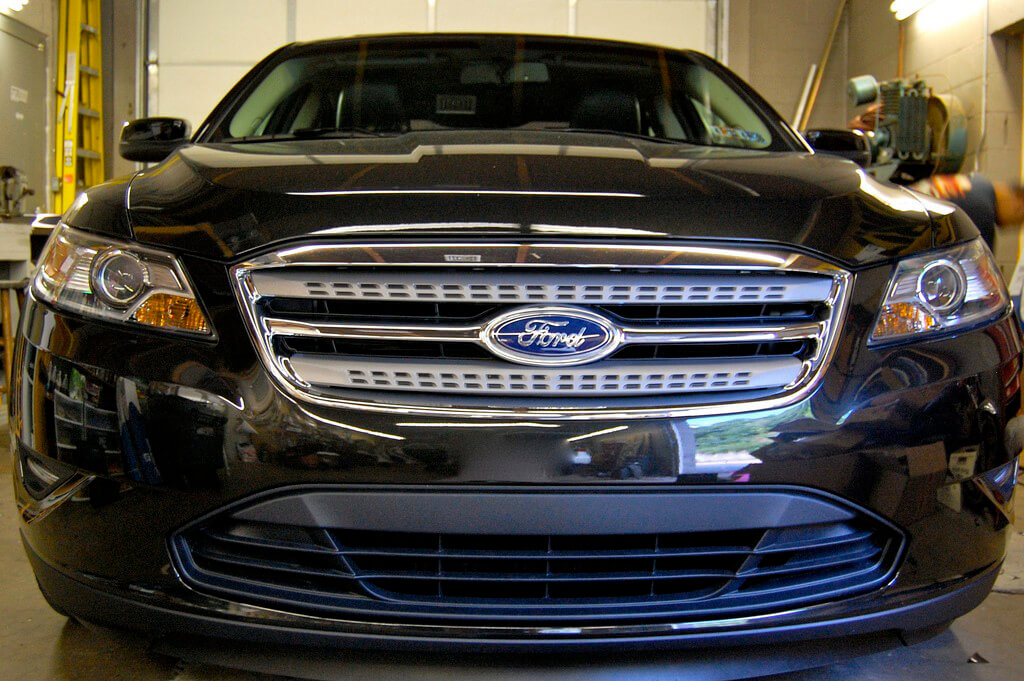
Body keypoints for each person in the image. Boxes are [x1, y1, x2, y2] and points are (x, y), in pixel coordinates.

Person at [909, 174, 1024, 249]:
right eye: (1018, 221)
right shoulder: (982, 212)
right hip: (906, 233)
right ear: (1019, 205)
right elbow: (982, 274)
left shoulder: (977, 182)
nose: (1011, 226)